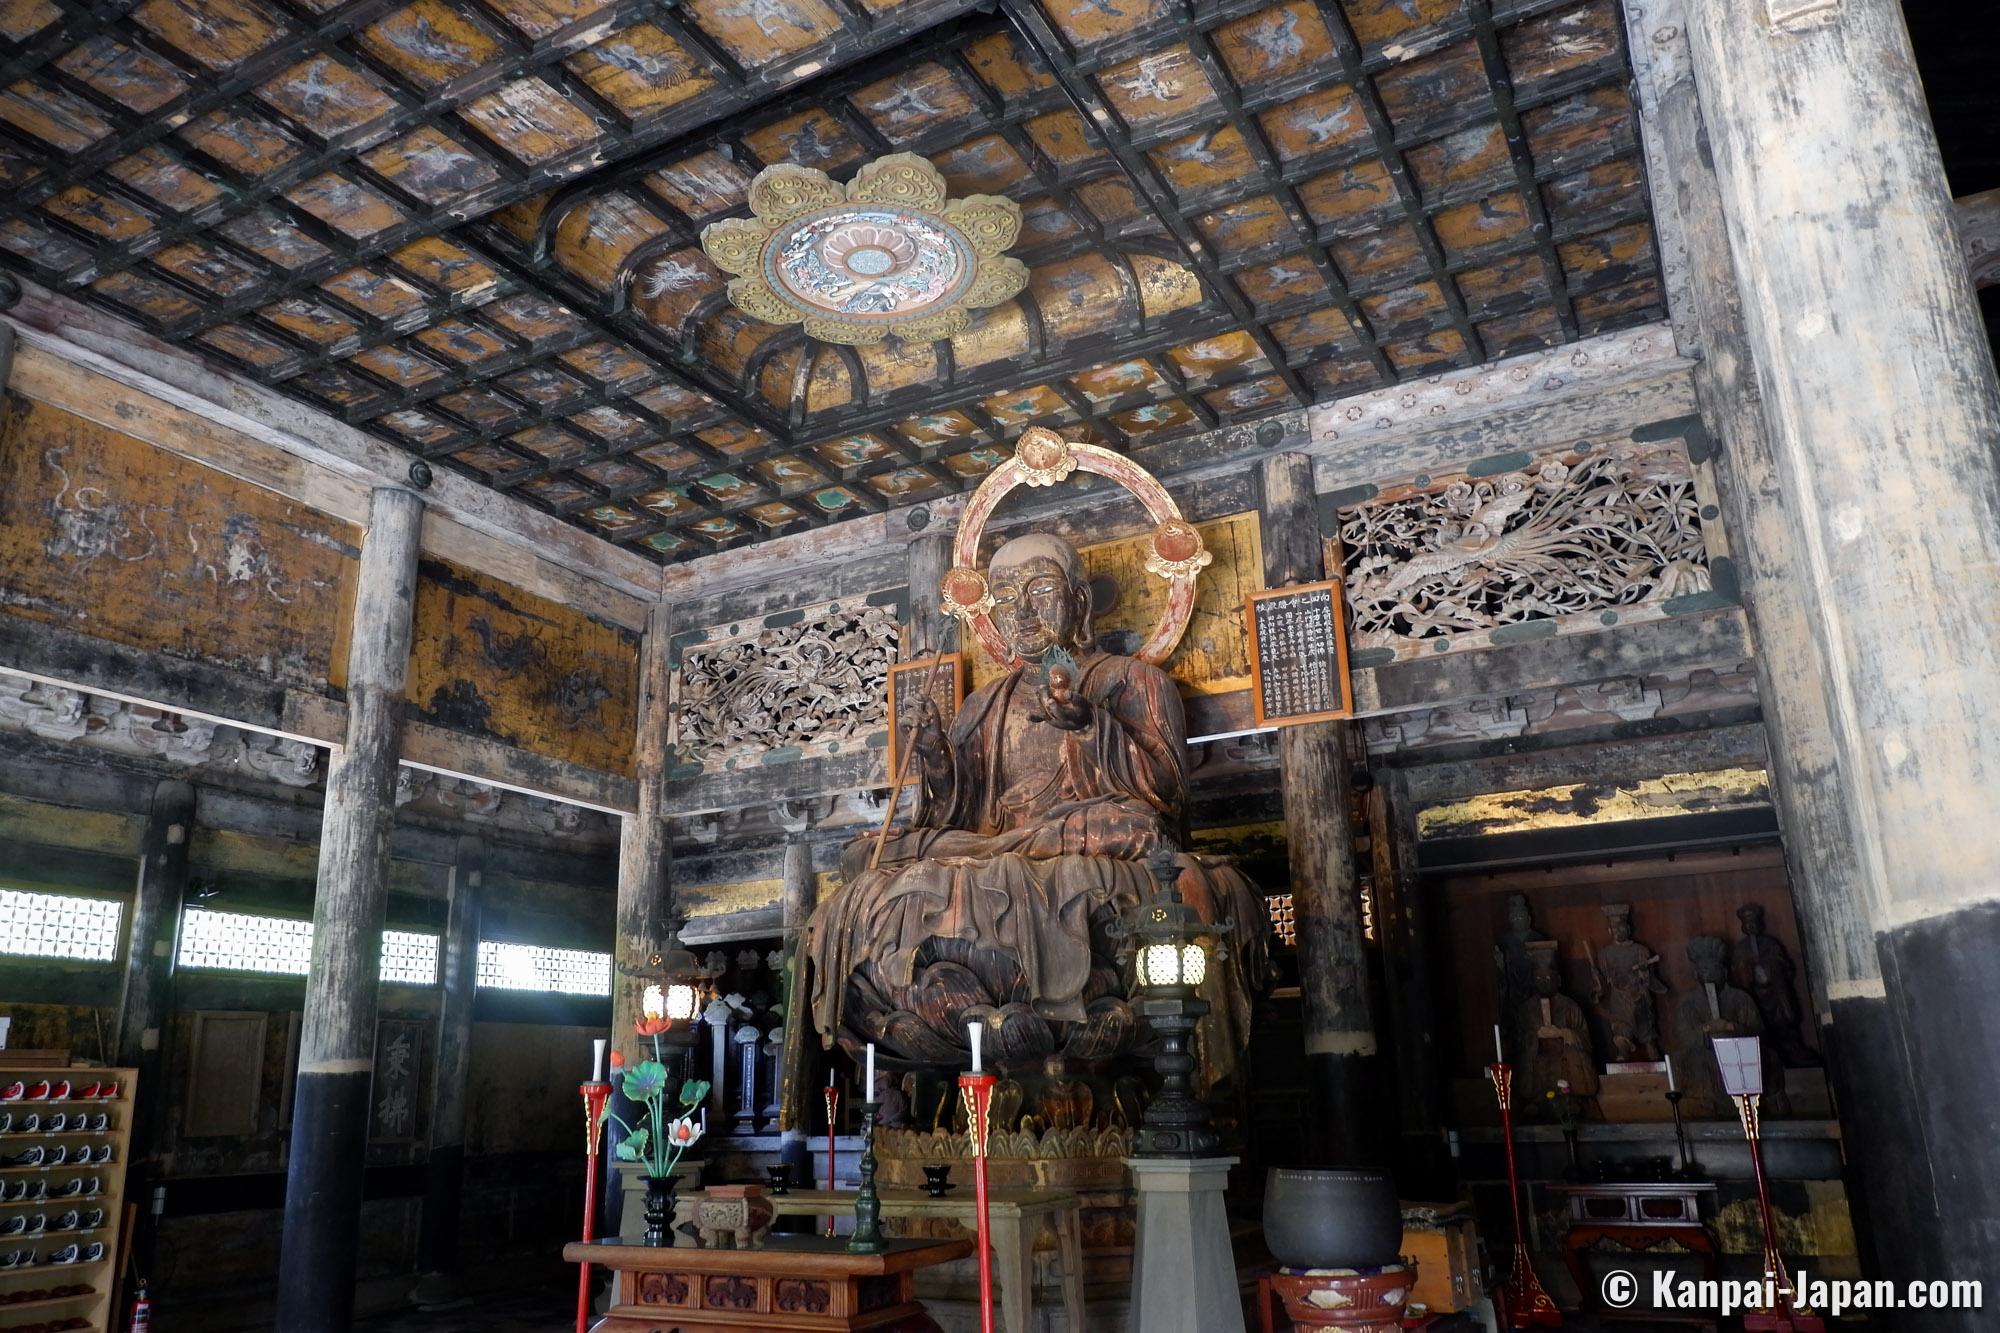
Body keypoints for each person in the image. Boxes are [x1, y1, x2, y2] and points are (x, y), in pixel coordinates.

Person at [803, 533, 1264, 1075]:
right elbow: (961, 812)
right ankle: (1002, 860)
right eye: (1003, 595)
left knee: (1135, 829)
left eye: (1039, 588)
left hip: (1090, 831)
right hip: (991, 842)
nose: (1021, 610)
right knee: (868, 856)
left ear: (1080, 600)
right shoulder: (983, 702)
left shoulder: (1133, 679)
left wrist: (1092, 725)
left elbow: (1163, 796)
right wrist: (935, 756)